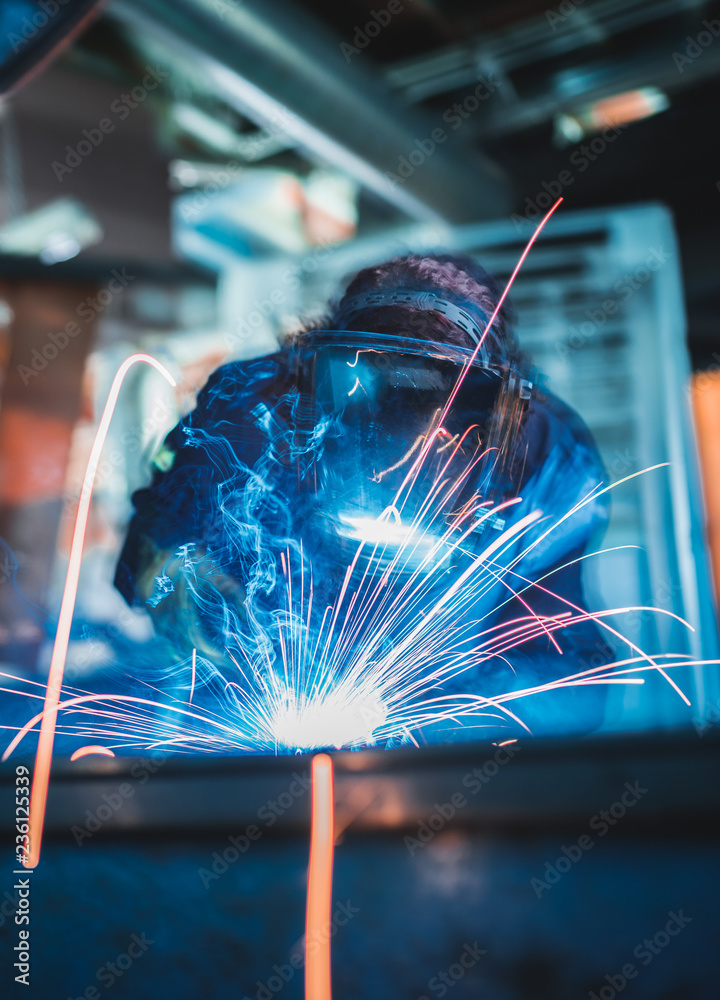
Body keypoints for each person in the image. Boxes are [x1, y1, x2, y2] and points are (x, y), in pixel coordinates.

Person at [115, 253, 614, 739]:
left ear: (497, 423)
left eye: (427, 426)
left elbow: (576, 687)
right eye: (372, 415)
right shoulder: (248, 412)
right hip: (244, 711)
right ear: (313, 379)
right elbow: (147, 556)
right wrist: (188, 598)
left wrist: (469, 698)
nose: (392, 470)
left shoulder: (550, 467)